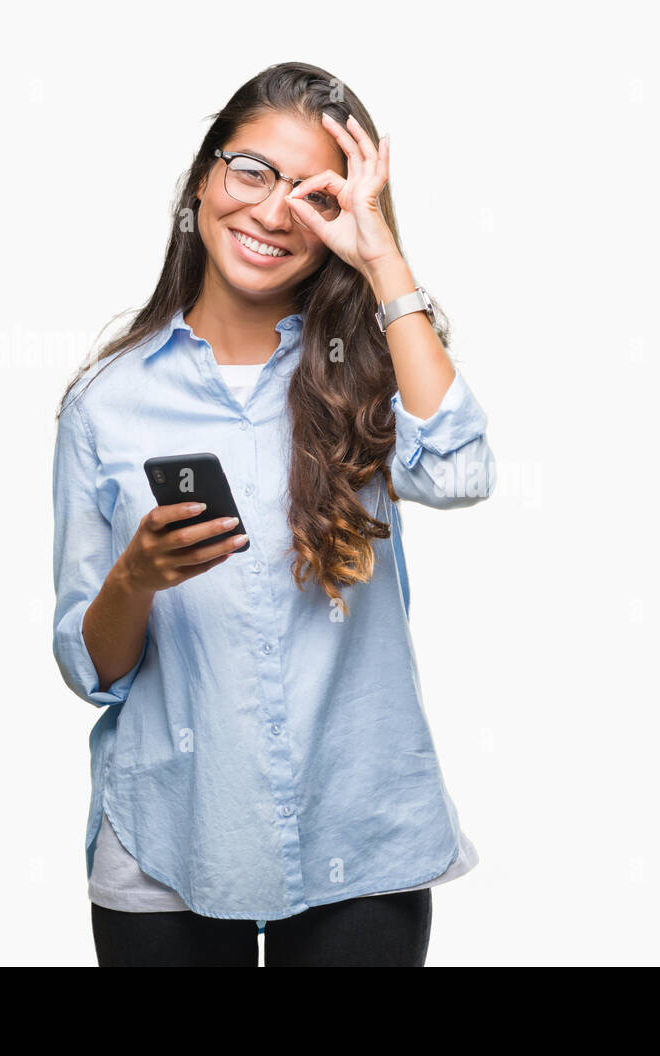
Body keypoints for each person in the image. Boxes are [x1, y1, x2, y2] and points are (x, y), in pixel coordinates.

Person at [51, 61, 495, 967]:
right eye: (253, 171)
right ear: (205, 178)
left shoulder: (368, 368)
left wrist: (380, 255)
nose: (271, 212)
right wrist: (137, 578)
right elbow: (90, 669)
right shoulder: (107, 403)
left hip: (359, 833)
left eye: (314, 194)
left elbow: (459, 469)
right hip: (172, 834)